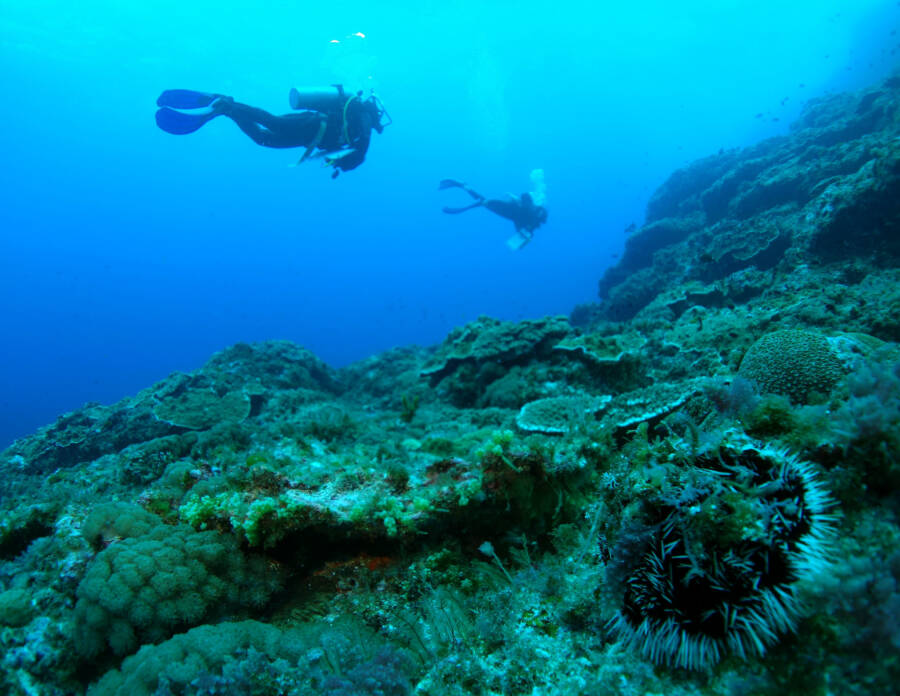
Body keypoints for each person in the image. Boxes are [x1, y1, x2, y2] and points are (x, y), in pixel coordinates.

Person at [154, 85, 389, 177]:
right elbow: (363, 146)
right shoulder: (365, 117)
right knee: (273, 123)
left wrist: (337, 161)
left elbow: (344, 150)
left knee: (263, 139)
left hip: (310, 136)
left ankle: (228, 110)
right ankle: (225, 102)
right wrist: (355, 158)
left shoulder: (359, 126)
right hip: (316, 124)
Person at [439, 172, 548, 249]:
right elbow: (524, 199)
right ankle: (463, 186)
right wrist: (514, 198)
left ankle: (463, 186)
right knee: (483, 201)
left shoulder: (530, 223)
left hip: (509, 210)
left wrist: (524, 239)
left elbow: (519, 233)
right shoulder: (531, 215)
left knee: (483, 201)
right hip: (510, 208)